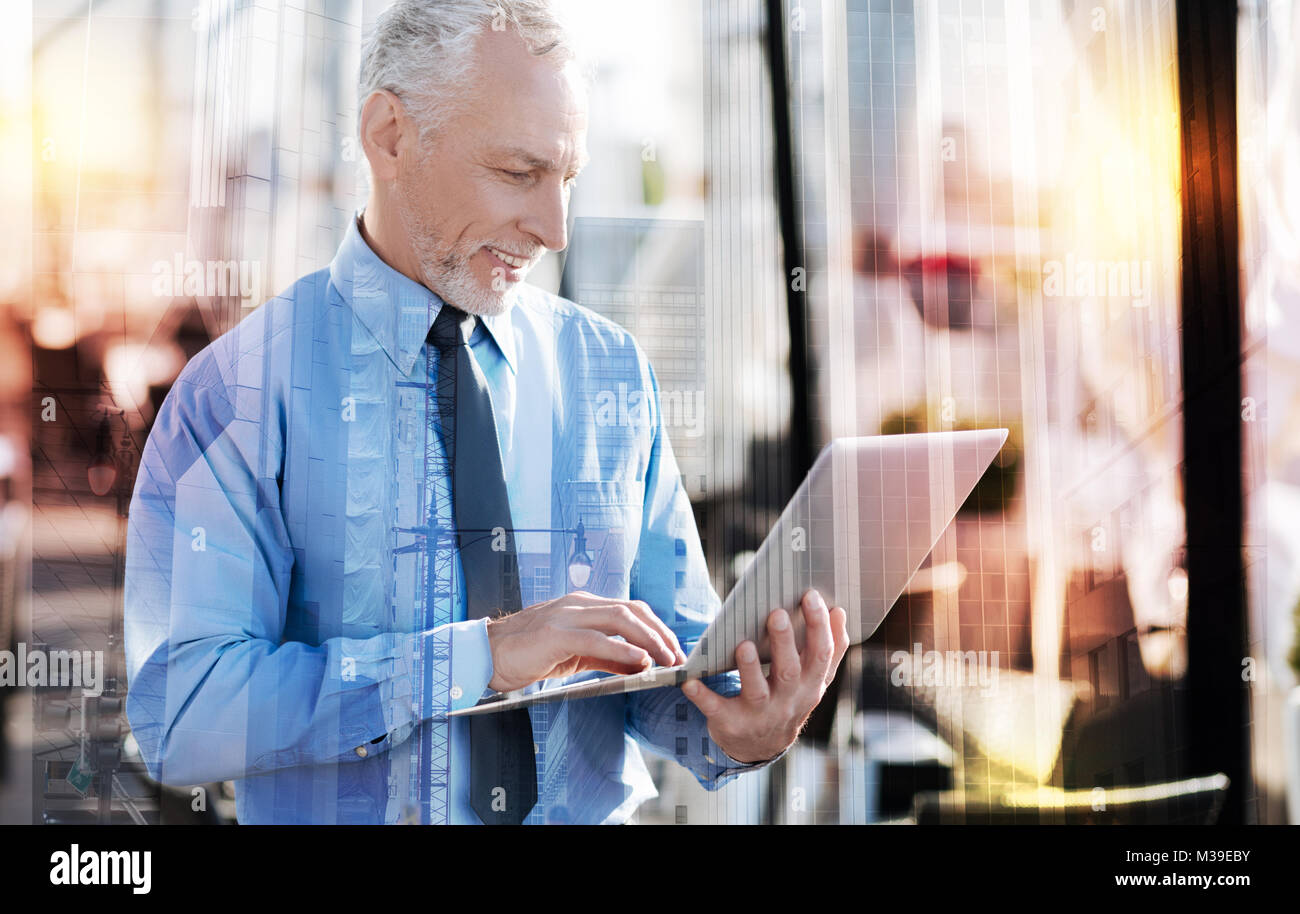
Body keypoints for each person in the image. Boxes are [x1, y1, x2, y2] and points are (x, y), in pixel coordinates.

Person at [123, 0, 849, 825]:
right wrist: (481, 657)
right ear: (390, 136)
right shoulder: (239, 394)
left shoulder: (609, 371)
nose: (555, 229)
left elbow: (665, 675)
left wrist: (747, 723)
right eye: (518, 173)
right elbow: (179, 717)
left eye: (567, 179)